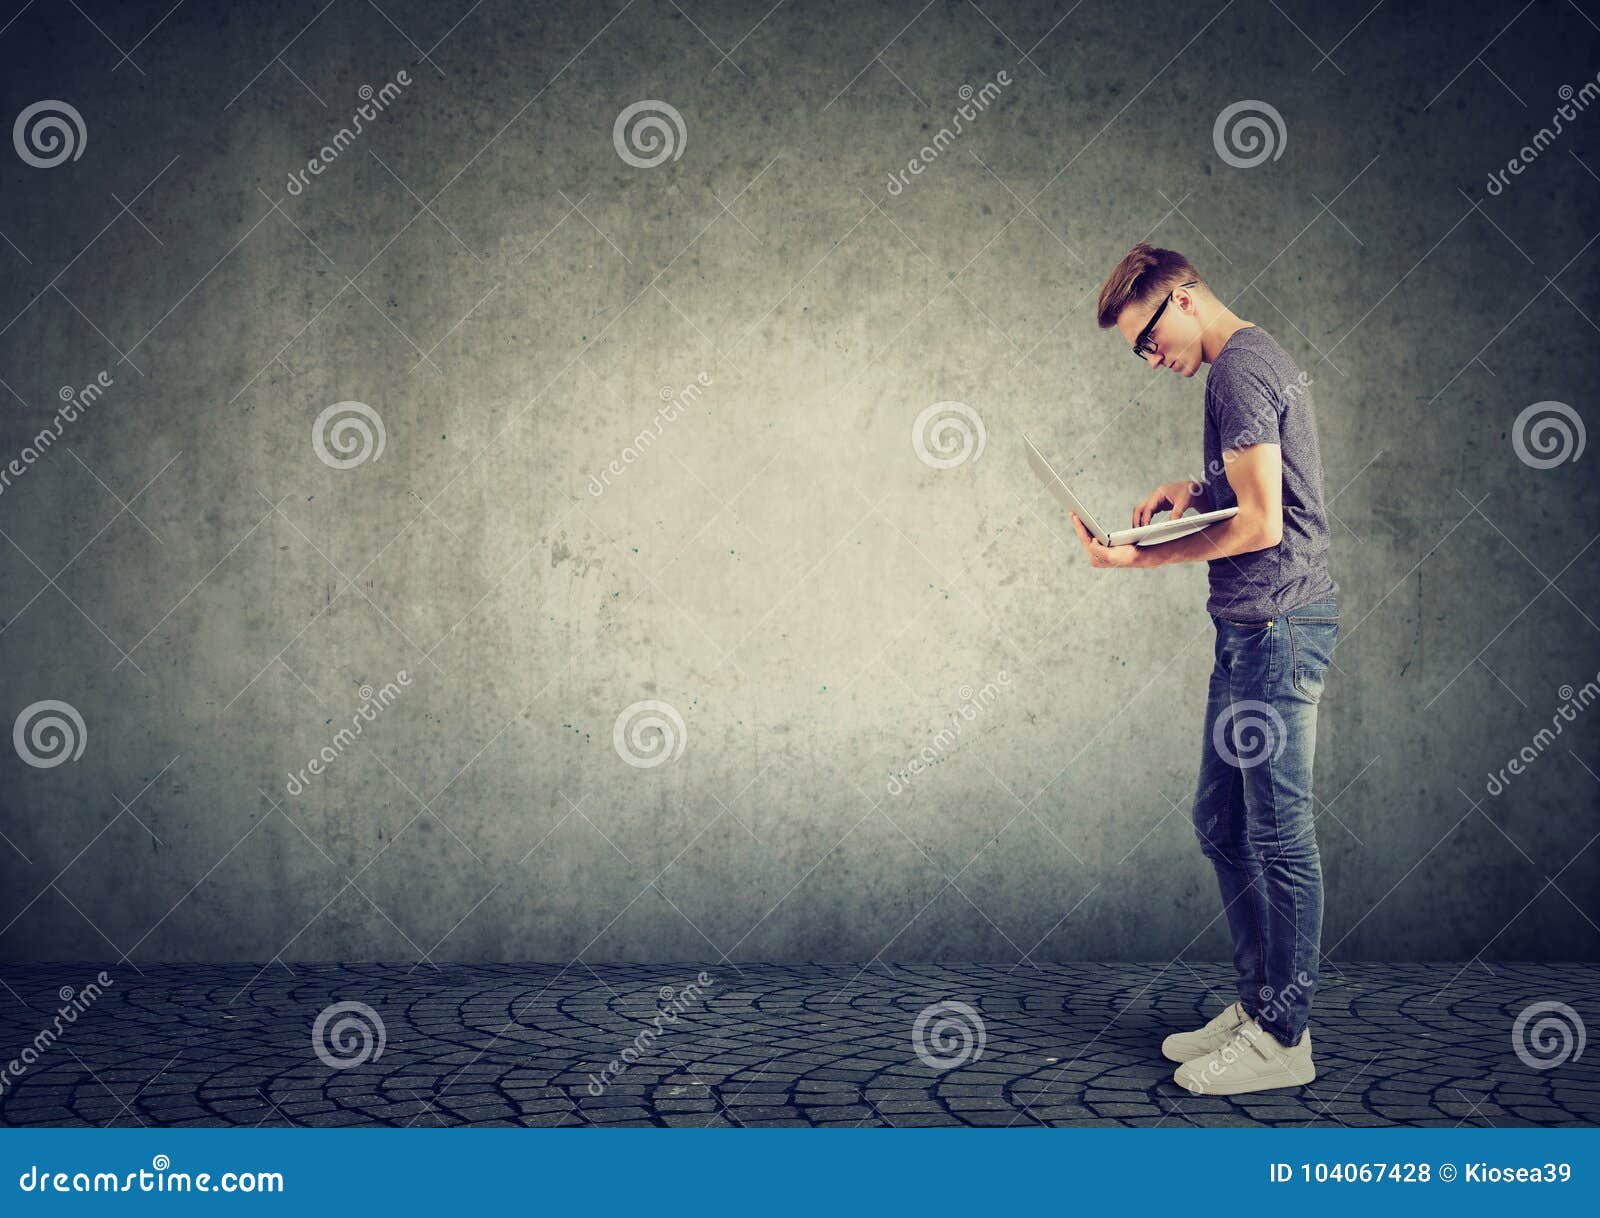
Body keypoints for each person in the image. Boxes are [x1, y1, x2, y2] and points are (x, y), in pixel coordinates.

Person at [1070, 243, 1339, 1096]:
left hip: (1278, 629)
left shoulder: (1237, 370)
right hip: (1249, 628)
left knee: (1279, 837)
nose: (1152, 361)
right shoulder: (1247, 365)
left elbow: (1263, 524)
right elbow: (1262, 485)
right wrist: (1193, 488)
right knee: (1220, 823)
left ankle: (1283, 1038)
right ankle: (1260, 1005)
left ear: (1182, 300)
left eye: (1149, 341)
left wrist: (1137, 562)